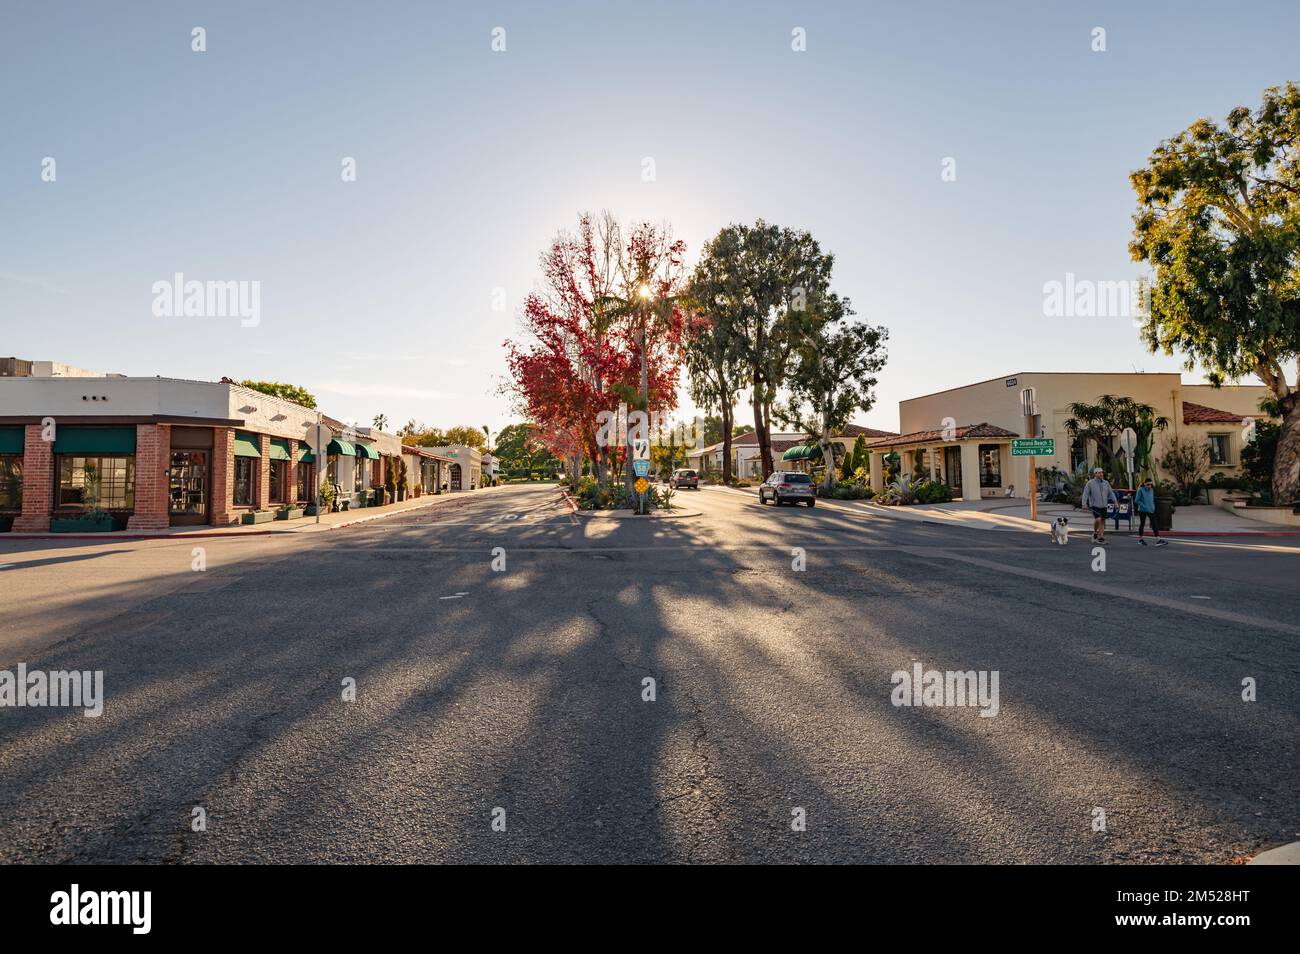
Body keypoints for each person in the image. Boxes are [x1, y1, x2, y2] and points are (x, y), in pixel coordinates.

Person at [1080, 467, 1117, 545]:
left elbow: (1111, 493)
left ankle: (1099, 535)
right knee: (1099, 519)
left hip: (1104, 505)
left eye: (1102, 472)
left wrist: (1115, 502)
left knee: (1102, 520)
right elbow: (1085, 494)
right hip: (1095, 505)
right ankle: (1098, 534)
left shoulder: (1106, 483)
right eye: (1099, 473)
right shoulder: (1090, 483)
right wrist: (1084, 504)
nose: (1101, 474)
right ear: (1095, 474)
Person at [1134, 478, 1167, 546]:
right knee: (1142, 524)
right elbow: (1137, 500)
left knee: (1154, 524)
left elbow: (1151, 500)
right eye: (1148, 484)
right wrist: (1145, 507)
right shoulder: (1140, 490)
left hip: (1151, 510)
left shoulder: (1151, 490)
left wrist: (1153, 507)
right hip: (1142, 510)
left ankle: (1158, 540)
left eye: (1151, 484)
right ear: (1144, 483)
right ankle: (1140, 540)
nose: (1149, 486)